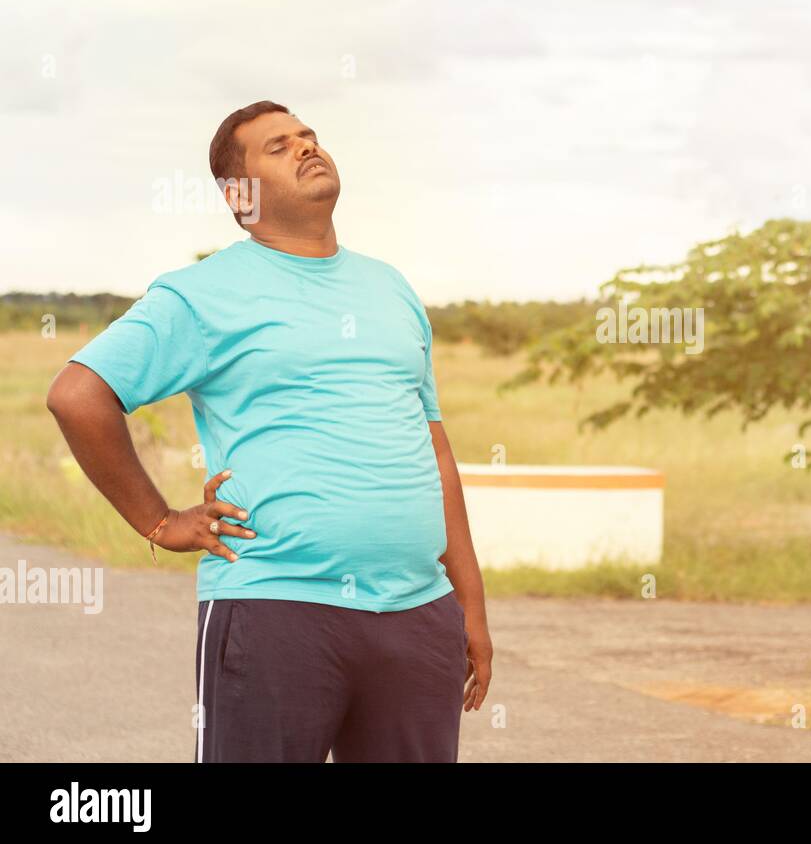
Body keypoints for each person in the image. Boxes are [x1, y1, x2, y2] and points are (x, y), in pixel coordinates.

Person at [45, 100, 492, 762]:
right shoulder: (202, 294)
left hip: (416, 614)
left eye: (310, 136)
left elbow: (436, 453)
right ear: (239, 193)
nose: (308, 147)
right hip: (277, 609)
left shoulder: (391, 289)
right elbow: (78, 395)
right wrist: (161, 522)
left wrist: (468, 606)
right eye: (278, 146)